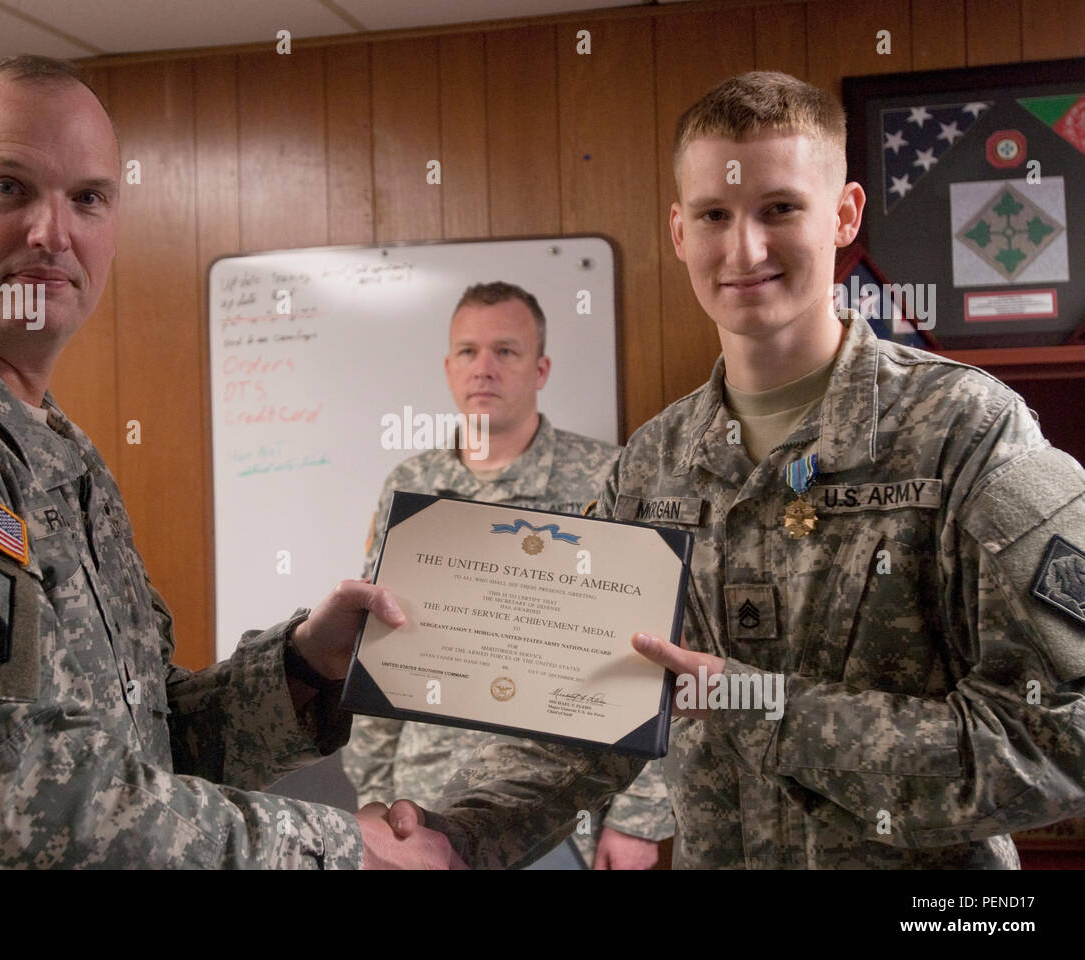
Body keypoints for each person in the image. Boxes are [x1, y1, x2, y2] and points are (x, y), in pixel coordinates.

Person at [0, 55, 461, 870]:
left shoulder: (45, 443)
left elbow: (139, 741)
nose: (51, 234)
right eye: (9, 187)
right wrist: (342, 850)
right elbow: (28, 815)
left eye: (88, 199)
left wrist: (301, 670)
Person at [401, 70, 1085, 869]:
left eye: (780, 209)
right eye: (715, 215)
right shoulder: (651, 466)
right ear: (679, 231)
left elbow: (1059, 736)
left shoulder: (967, 432)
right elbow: (589, 712)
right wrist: (459, 833)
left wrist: (758, 708)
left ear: (843, 214)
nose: (744, 248)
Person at [341, 282, 672, 869]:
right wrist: (372, 791)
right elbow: (378, 644)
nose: (484, 368)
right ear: (448, 367)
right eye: (468, 352)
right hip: (421, 804)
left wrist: (640, 817)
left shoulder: (606, 478)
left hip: (557, 807)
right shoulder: (410, 485)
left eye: (507, 351)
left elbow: (650, 658)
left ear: (541, 369)